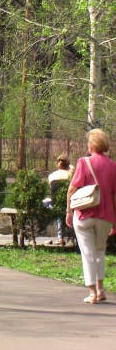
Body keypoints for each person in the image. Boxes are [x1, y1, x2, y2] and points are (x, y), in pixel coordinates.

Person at [65, 128, 116, 304]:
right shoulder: (113, 165)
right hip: (106, 216)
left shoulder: (83, 162)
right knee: (100, 251)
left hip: (84, 213)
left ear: (91, 145)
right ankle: (101, 289)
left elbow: (73, 188)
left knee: (87, 253)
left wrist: (68, 210)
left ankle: (92, 292)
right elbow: (114, 194)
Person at [47, 155, 73, 246]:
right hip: (70, 204)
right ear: (68, 164)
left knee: (46, 202)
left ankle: (60, 238)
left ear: (57, 164)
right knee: (62, 210)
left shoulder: (52, 176)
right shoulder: (71, 175)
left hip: (55, 205)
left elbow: (52, 189)